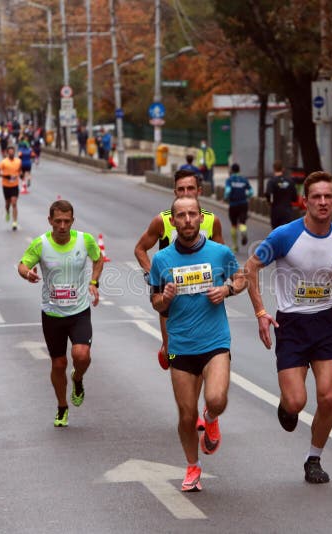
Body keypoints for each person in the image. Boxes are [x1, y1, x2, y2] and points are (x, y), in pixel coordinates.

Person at [244, 171, 332, 484]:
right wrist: (260, 312)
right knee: (297, 401)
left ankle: (314, 458)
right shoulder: (284, 235)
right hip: (291, 323)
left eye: (327, 197)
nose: (322, 202)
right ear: (305, 201)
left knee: (328, 397)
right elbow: (251, 266)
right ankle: (286, 404)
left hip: (325, 323)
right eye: (316, 197)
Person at [149, 196, 245, 492]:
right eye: (181, 215)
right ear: (173, 221)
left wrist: (227, 289)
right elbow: (155, 301)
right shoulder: (161, 259)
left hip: (215, 341)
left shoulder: (219, 252)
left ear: (201, 218)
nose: (188, 220)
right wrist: (165, 297)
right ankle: (192, 467)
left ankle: (212, 417)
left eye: (193, 214)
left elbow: (242, 278)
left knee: (216, 398)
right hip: (181, 344)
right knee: (186, 414)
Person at [18, 200, 104, 427]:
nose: (63, 226)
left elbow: (98, 258)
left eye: (67, 221)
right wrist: (27, 274)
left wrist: (94, 281)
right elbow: (22, 265)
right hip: (53, 314)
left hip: (79, 311)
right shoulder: (41, 244)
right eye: (58, 221)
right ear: (50, 221)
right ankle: (61, 407)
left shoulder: (85, 240)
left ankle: (77, 378)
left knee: (81, 355)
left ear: (72, 221)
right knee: (58, 364)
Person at [134, 169, 224, 370]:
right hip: (171, 296)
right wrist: (153, 276)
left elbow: (222, 257)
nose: (186, 193)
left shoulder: (210, 221)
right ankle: (167, 350)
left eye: (190, 188)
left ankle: (208, 395)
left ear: (199, 191)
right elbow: (140, 249)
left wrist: (219, 283)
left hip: (202, 297)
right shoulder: (163, 220)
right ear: (175, 192)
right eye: (181, 189)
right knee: (172, 355)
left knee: (204, 353)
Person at [223, 163, 253, 252]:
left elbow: (228, 191)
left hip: (233, 204)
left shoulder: (230, 180)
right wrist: (246, 196)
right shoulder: (244, 179)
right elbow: (251, 191)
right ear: (239, 170)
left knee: (233, 225)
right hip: (243, 204)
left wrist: (226, 197)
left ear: (232, 170)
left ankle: (235, 246)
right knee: (242, 222)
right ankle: (243, 230)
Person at [0, 146, 22, 231]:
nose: (11, 153)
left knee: (14, 203)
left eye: (12, 152)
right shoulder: (3, 162)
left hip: (15, 185)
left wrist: (20, 175)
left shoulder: (18, 161)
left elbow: (20, 171)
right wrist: (6, 176)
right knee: (7, 204)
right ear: (7, 153)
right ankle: (7, 212)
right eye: (10, 152)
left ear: (14, 152)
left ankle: (14, 222)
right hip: (6, 186)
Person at [265, 160, 298, 229]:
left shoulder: (271, 181)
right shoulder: (290, 181)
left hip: (276, 210)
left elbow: (268, 193)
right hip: (287, 210)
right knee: (287, 231)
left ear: (274, 169)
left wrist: (269, 201)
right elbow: (295, 197)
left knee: (276, 232)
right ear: (282, 169)